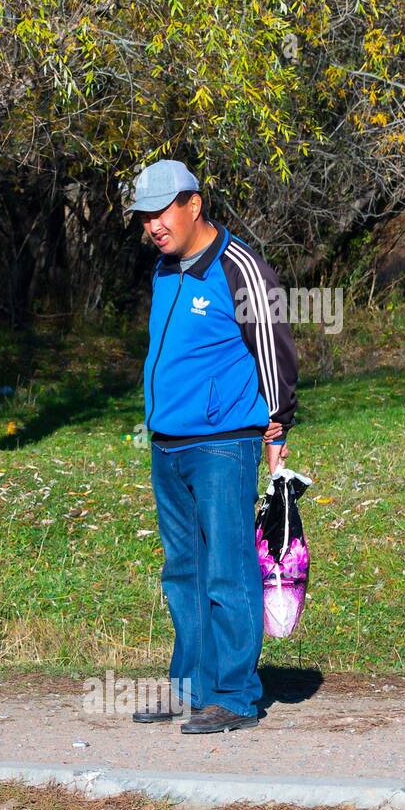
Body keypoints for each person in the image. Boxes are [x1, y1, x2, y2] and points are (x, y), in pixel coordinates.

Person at [127, 160, 298, 734]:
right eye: (145, 217)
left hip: (225, 443)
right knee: (184, 572)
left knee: (228, 569)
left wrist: (278, 427)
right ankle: (192, 690)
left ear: (193, 204)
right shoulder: (164, 269)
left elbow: (274, 346)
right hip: (167, 445)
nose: (153, 225)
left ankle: (234, 696)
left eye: (161, 212)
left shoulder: (241, 267)